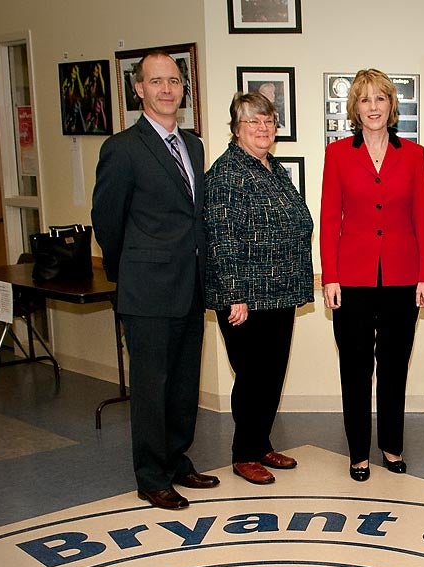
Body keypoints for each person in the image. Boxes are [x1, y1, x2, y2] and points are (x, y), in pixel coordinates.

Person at [92, 50, 217, 510]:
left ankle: (176, 460)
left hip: (190, 286)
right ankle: (151, 476)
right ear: (139, 89)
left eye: (174, 81)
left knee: (183, 385)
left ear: (183, 89)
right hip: (146, 291)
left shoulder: (193, 145)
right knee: (151, 388)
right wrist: (127, 272)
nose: (167, 89)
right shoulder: (123, 148)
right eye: (157, 81)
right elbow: (107, 220)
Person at [320, 68, 424, 482]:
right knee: (354, 370)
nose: (373, 107)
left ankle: (392, 445)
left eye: (380, 98)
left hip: (403, 279)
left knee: (393, 368)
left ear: (391, 105)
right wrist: (330, 276)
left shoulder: (414, 154)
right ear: (355, 107)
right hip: (351, 280)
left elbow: (423, 217)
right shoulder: (337, 154)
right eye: (365, 99)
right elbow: (329, 218)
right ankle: (358, 453)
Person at [204, 92, 313, 485]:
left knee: (271, 375)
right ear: (237, 128)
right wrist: (235, 294)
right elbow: (222, 237)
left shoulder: (272, 168)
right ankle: (244, 453)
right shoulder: (227, 173)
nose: (263, 128)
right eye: (253, 121)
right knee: (252, 377)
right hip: (245, 298)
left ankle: (261, 443)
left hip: (279, 293)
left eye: (268, 121)